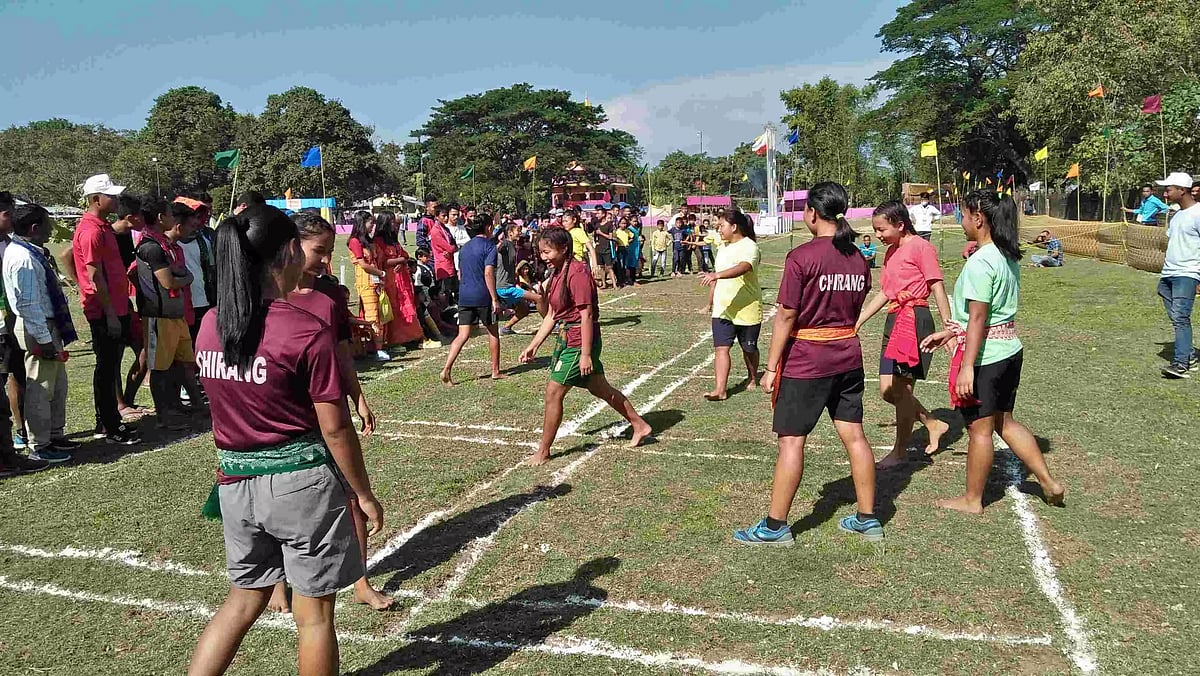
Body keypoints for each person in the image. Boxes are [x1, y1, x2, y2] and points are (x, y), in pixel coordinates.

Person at [188, 204, 383, 675]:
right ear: (290, 250)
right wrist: (363, 493)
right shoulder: (304, 329)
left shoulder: (211, 324)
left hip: (235, 483)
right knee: (314, 617)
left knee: (241, 602)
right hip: (298, 485)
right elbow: (335, 428)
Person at [734, 182, 880, 545]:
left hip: (808, 360)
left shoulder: (801, 257)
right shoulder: (859, 258)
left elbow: (786, 316)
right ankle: (867, 517)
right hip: (848, 354)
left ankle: (774, 526)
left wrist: (770, 367)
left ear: (813, 213)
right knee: (855, 436)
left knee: (791, 442)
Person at [273, 211, 391, 613]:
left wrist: (357, 396)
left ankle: (361, 581)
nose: (325, 260)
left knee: (351, 495)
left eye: (329, 252)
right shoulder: (271, 295)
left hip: (329, 407)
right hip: (286, 413)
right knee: (283, 503)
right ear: (292, 248)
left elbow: (341, 352)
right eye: (317, 251)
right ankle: (275, 585)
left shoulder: (331, 295)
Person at [919, 190, 1065, 513]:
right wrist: (948, 332)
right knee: (1004, 422)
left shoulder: (982, 263)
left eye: (963, 215)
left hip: (987, 356)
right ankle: (1048, 482)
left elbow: (979, 317)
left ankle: (973, 500)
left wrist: (967, 366)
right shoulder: (1006, 256)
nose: (961, 221)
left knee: (979, 430)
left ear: (979, 218)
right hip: (1010, 349)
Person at [519, 227, 651, 465]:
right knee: (599, 387)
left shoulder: (577, 273)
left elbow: (587, 315)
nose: (544, 257)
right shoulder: (558, 272)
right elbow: (552, 314)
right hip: (568, 337)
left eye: (547, 252)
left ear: (564, 249)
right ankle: (640, 425)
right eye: (541, 252)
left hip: (580, 340)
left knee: (553, 392)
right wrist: (534, 344)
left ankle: (543, 451)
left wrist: (586, 354)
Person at [854, 201, 952, 469]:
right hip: (893, 319)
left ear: (900, 225)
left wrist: (949, 329)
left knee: (902, 387)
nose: (877, 235)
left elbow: (937, 287)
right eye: (875, 230)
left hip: (914, 320)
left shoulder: (922, 247)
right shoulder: (889, 253)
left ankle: (899, 451)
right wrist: (859, 320)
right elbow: (886, 292)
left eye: (881, 229)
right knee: (888, 390)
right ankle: (932, 422)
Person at [66, 174, 141, 445]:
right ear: (96, 199)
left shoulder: (103, 227)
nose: (117, 199)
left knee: (111, 365)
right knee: (107, 368)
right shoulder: (91, 231)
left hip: (116, 306)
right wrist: (109, 313)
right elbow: (95, 276)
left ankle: (110, 420)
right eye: (111, 195)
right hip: (104, 310)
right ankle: (108, 425)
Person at [4, 203, 78, 463]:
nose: (51, 229)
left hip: (46, 324)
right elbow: (27, 303)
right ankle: (39, 444)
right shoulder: (23, 258)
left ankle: (55, 435)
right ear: (35, 228)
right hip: (37, 326)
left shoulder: (32, 252)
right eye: (47, 224)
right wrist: (44, 339)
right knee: (41, 387)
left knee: (57, 386)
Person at [134, 200, 201, 432]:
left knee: (183, 363)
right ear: (161, 217)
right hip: (158, 315)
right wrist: (186, 279)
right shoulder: (150, 247)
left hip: (176, 313)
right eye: (172, 214)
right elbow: (168, 281)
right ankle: (163, 416)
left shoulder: (164, 245)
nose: (175, 219)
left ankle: (190, 405)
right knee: (160, 369)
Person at [0, 193, 48, 475]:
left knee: (19, 378)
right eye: (6, 213)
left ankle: (16, 437)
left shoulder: (10, 245)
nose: (10, 218)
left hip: (10, 324)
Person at [700, 209, 761, 401]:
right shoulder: (722, 245)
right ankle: (720, 389)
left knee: (749, 349)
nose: (719, 229)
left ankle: (752, 377)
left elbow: (744, 267)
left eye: (722, 226)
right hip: (723, 308)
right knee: (721, 348)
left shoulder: (750, 246)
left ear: (734, 227)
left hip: (747, 309)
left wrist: (717, 275)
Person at [442, 214, 502, 384]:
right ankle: (495, 371)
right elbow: (488, 272)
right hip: (482, 295)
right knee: (493, 331)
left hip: (465, 295)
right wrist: (494, 299)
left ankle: (446, 368)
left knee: (462, 335)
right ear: (489, 227)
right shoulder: (490, 247)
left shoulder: (465, 248)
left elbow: (460, 274)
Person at [1154, 172, 1200, 378]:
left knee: (1181, 318)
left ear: (1182, 190)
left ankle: (1181, 364)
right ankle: (1189, 354)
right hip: (1169, 274)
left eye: (1168, 189)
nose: (1165, 193)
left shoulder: (1198, 214)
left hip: (1187, 274)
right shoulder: (1177, 215)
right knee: (1177, 317)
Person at [371, 212, 424, 348]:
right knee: (394, 308)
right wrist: (400, 260)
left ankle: (411, 336)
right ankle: (395, 339)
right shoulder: (378, 240)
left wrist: (402, 261)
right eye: (393, 222)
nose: (395, 225)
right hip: (390, 279)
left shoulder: (393, 239)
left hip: (402, 278)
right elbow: (381, 261)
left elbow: (404, 255)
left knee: (407, 306)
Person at [346, 211, 392, 362]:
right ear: (362, 223)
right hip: (366, 282)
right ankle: (376, 350)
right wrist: (381, 273)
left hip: (376, 281)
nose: (373, 226)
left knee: (381, 313)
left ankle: (379, 346)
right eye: (370, 223)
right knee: (372, 316)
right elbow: (363, 264)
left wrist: (380, 276)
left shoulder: (368, 241)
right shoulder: (355, 241)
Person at [497, 223, 545, 336]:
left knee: (524, 309)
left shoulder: (512, 245)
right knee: (538, 298)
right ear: (510, 233)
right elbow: (499, 248)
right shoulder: (506, 244)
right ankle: (551, 324)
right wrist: (499, 242)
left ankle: (506, 328)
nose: (520, 233)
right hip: (505, 288)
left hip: (510, 286)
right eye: (517, 231)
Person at [429, 205, 459, 304]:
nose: (446, 218)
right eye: (443, 216)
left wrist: (453, 248)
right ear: (437, 216)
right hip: (443, 264)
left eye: (447, 216)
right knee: (445, 290)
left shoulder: (444, 228)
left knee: (451, 289)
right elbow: (450, 247)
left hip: (449, 262)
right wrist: (453, 248)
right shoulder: (435, 231)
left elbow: (453, 244)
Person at [625, 214, 644, 286]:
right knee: (631, 265)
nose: (635, 223)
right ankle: (632, 280)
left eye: (636, 221)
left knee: (634, 264)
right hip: (631, 249)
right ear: (630, 221)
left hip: (636, 248)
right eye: (633, 221)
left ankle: (632, 279)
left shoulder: (636, 229)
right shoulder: (629, 229)